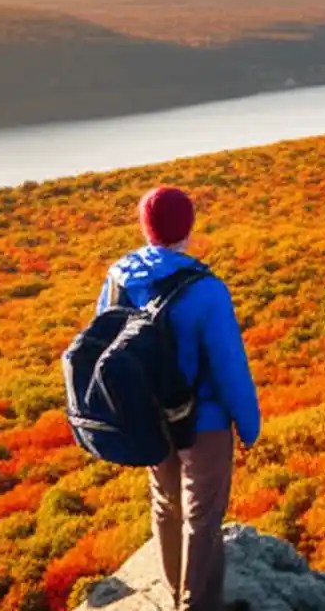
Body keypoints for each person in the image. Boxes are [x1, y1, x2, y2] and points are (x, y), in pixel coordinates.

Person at [97, 185, 261, 611]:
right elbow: (229, 366)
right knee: (202, 517)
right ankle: (199, 606)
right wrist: (249, 424)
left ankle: (174, 596)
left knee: (166, 505)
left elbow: (103, 343)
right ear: (188, 226)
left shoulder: (119, 278)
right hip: (202, 422)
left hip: (148, 417)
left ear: (146, 228)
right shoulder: (205, 289)